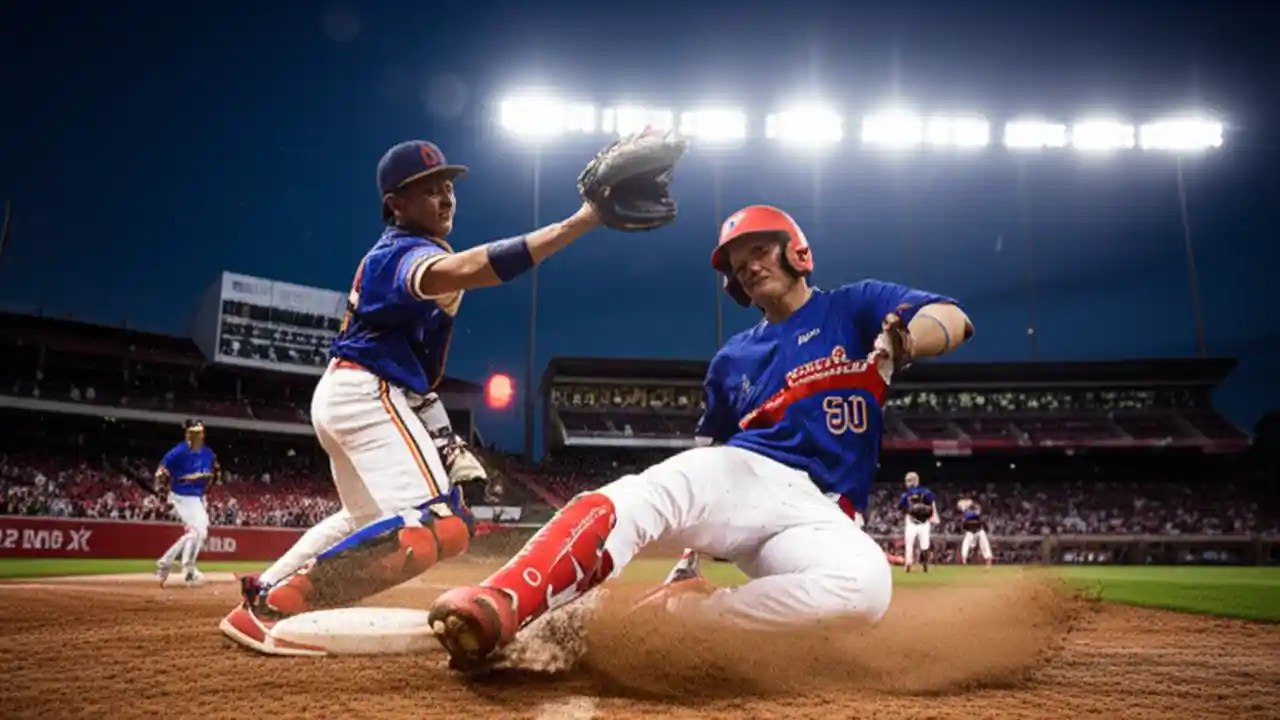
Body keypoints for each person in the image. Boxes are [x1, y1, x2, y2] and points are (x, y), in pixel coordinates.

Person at [428, 204, 975, 671]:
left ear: (797, 252)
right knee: (650, 494)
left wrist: (905, 341)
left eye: (760, 251)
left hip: (824, 514)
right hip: (750, 475)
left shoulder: (852, 307)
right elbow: (708, 462)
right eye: (740, 266)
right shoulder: (732, 359)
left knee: (865, 588)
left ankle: (682, 618)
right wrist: (690, 555)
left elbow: (951, 317)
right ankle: (503, 599)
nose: (749, 267)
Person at [220, 138, 608, 654]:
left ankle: (258, 602)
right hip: (366, 391)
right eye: (428, 190)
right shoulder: (399, 255)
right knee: (441, 525)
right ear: (395, 204)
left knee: (364, 523)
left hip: (356, 392)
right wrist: (580, 221)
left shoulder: (415, 255)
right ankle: (279, 609)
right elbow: (470, 269)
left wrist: (448, 441)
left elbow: (419, 383)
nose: (446, 198)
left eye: (448, 187)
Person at [155, 419, 219, 587]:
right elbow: (160, 474)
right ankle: (187, 570)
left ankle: (169, 564)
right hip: (181, 496)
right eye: (195, 431)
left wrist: (209, 485)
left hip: (196, 498)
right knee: (197, 532)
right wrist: (163, 498)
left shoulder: (207, 453)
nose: (199, 434)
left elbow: (215, 470)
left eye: (201, 431)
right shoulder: (177, 453)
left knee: (200, 533)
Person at [898, 471, 939, 572]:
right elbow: (933, 500)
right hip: (922, 521)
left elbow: (900, 507)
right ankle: (922, 563)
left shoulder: (906, 494)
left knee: (910, 544)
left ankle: (909, 563)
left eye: (909, 480)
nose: (909, 483)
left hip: (912, 520)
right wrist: (933, 514)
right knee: (924, 544)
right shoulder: (925, 491)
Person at [957, 498, 993, 568]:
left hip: (979, 530)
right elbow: (962, 512)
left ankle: (988, 560)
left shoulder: (977, 508)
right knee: (965, 544)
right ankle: (964, 559)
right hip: (970, 531)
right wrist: (964, 509)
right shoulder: (966, 510)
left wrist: (965, 509)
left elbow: (975, 514)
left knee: (985, 545)